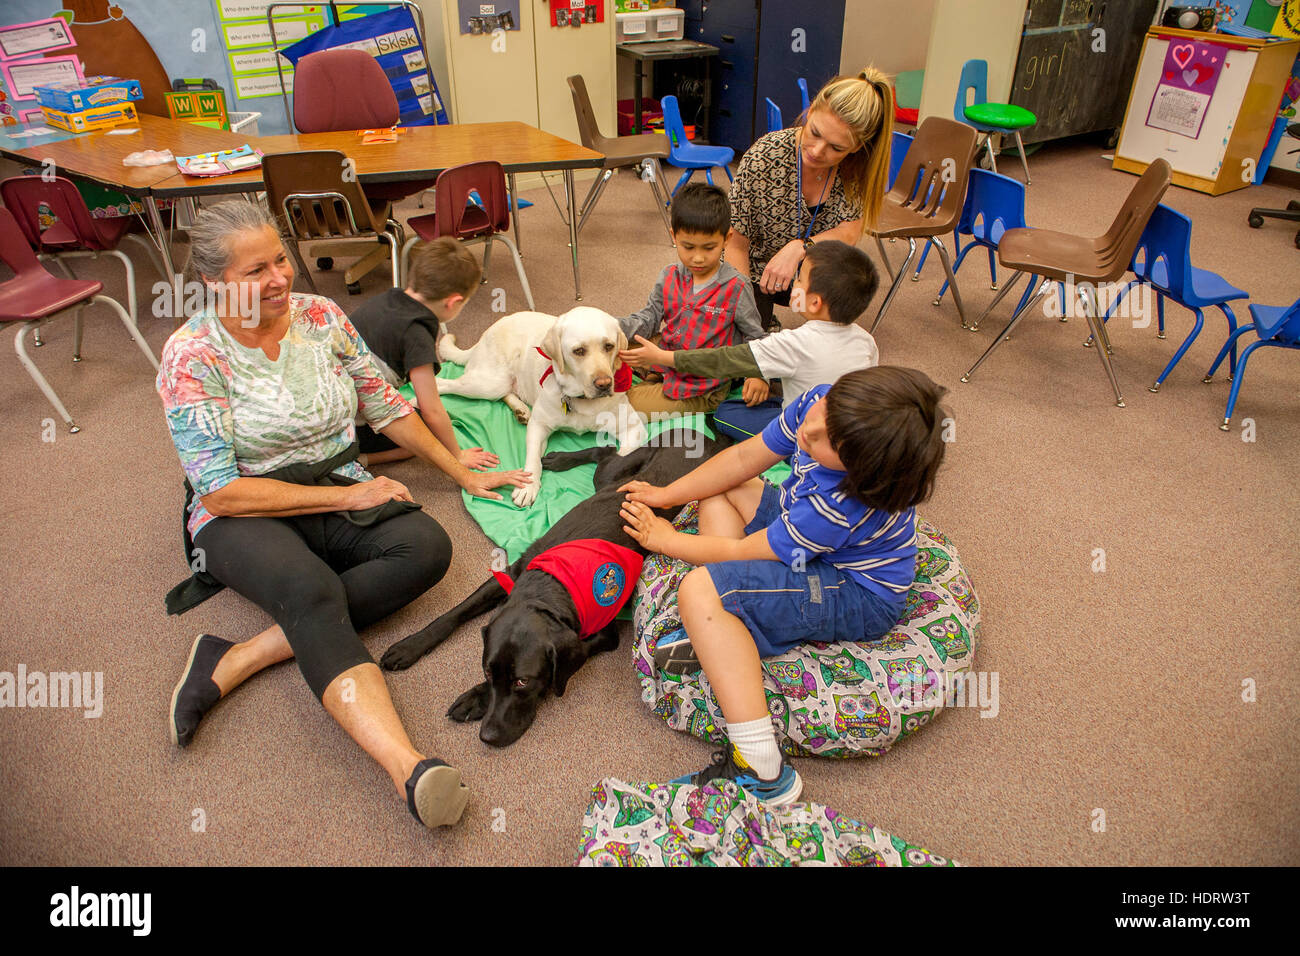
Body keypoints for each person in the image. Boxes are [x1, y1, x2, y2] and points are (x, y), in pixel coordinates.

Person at [155, 200, 530, 831]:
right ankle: (408, 769)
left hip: (335, 477)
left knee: (428, 549)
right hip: (243, 509)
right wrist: (349, 498)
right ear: (215, 284)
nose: (279, 278)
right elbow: (219, 491)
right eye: (256, 271)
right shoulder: (191, 354)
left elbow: (389, 409)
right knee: (311, 590)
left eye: (281, 258)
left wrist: (462, 470)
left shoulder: (322, 316)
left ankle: (239, 656)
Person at [619, 366, 948, 804]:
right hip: (808, 541)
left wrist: (669, 540)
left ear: (858, 471)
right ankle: (729, 620)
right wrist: (668, 495)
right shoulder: (822, 402)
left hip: (854, 591)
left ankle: (762, 770)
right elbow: (741, 459)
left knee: (698, 590)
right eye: (825, 410)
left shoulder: (836, 507)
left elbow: (744, 553)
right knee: (719, 489)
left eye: (827, 440)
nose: (810, 425)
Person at [619, 239, 880, 442]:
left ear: (814, 302)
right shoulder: (866, 341)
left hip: (805, 436)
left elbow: (722, 360)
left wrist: (662, 358)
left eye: (799, 279)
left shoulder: (791, 343)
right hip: (845, 429)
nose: (793, 283)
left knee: (727, 414)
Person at [728, 68, 894, 332]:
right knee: (745, 337)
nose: (817, 151)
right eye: (814, 132)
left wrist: (800, 248)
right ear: (810, 111)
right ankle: (763, 317)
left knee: (829, 342)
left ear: (856, 148)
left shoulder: (859, 170)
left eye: (836, 148)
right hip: (757, 270)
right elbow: (735, 245)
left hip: (810, 272)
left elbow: (848, 233)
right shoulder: (765, 155)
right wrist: (744, 305)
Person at [348, 236, 500, 470]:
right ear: (454, 302)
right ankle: (363, 459)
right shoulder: (416, 334)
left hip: (335, 403)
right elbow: (431, 411)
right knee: (428, 435)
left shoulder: (387, 297)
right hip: (350, 431)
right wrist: (457, 455)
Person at [618, 183, 766, 419]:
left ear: (726, 238)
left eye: (709, 248)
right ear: (674, 236)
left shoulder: (736, 287)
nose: (698, 258)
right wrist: (609, 328)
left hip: (701, 388)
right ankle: (655, 376)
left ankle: (653, 385)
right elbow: (649, 318)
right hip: (667, 357)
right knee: (608, 349)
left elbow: (755, 337)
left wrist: (757, 375)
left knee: (623, 406)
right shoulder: (669, 275)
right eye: (688, 247)